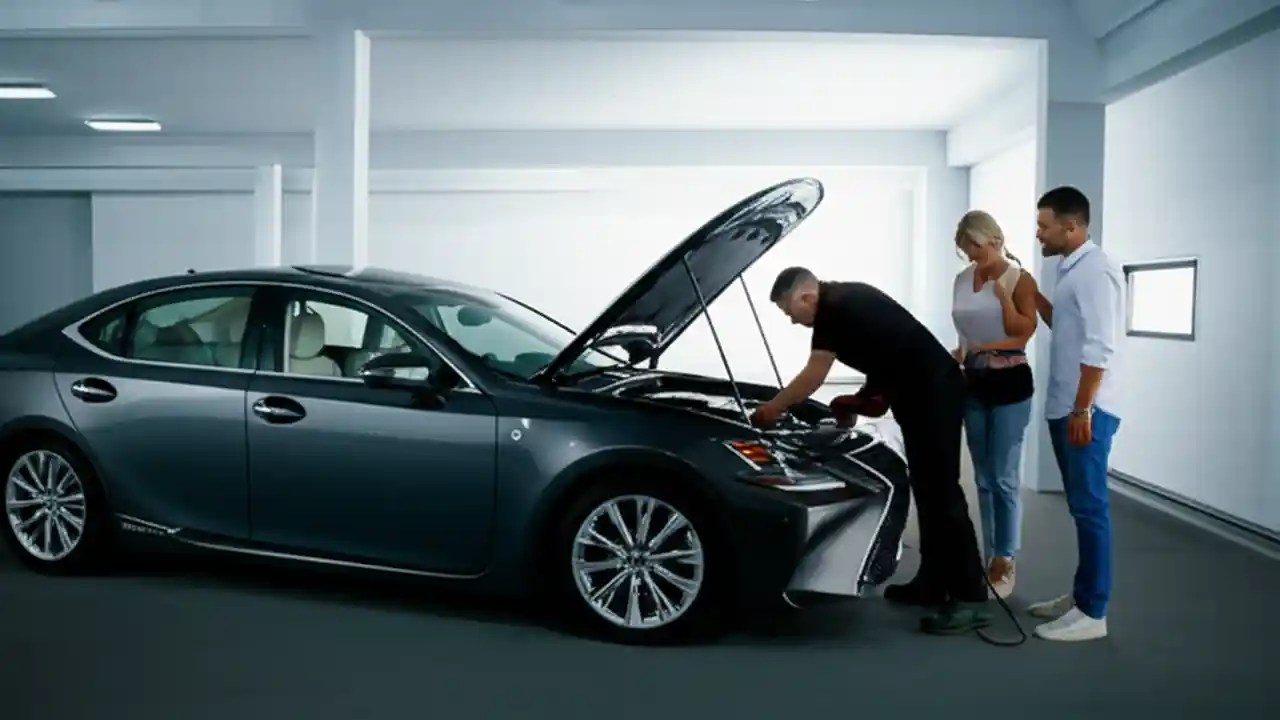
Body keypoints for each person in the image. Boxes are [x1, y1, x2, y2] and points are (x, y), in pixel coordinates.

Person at [751, 267, 992, 635]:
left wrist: (774, 407)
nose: (791, 321)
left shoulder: (834, 309)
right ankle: (932, 581)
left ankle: (972, 598)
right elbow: (885, 355)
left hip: (934, 392)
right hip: (918, 392)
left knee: (943, 493)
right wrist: (857, 402)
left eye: (789, 312)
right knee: (927, 490)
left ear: (806, 298)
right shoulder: (845, 302)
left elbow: (813, 375)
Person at [1024, 186, 1125, 642]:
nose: (1039, 233)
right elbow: (1062, 325)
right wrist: (1029, 288)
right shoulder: (1070, 270)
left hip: (1086, 409)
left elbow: (1101, 346)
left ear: (1072, 226)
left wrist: (1084, 407)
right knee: (1081, 509)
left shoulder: (1095, 271)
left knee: (1090, 510)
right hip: (1067, 405)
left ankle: (1093, 612)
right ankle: (1081, 597)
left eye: (1045, 226)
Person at [950, 210, 1039, 599]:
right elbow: (965, 334)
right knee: (982, 479)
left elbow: (1023, 332)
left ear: (995, 240)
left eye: (976, 245)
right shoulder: (960, 280)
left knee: (1003, 477)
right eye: (965, 247)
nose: (971, 254)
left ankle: (1005, 556)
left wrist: (1002, 296)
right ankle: (989, 556)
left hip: (1010, 383)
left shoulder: (1020, 278)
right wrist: (958, 353)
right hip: (973, 382)